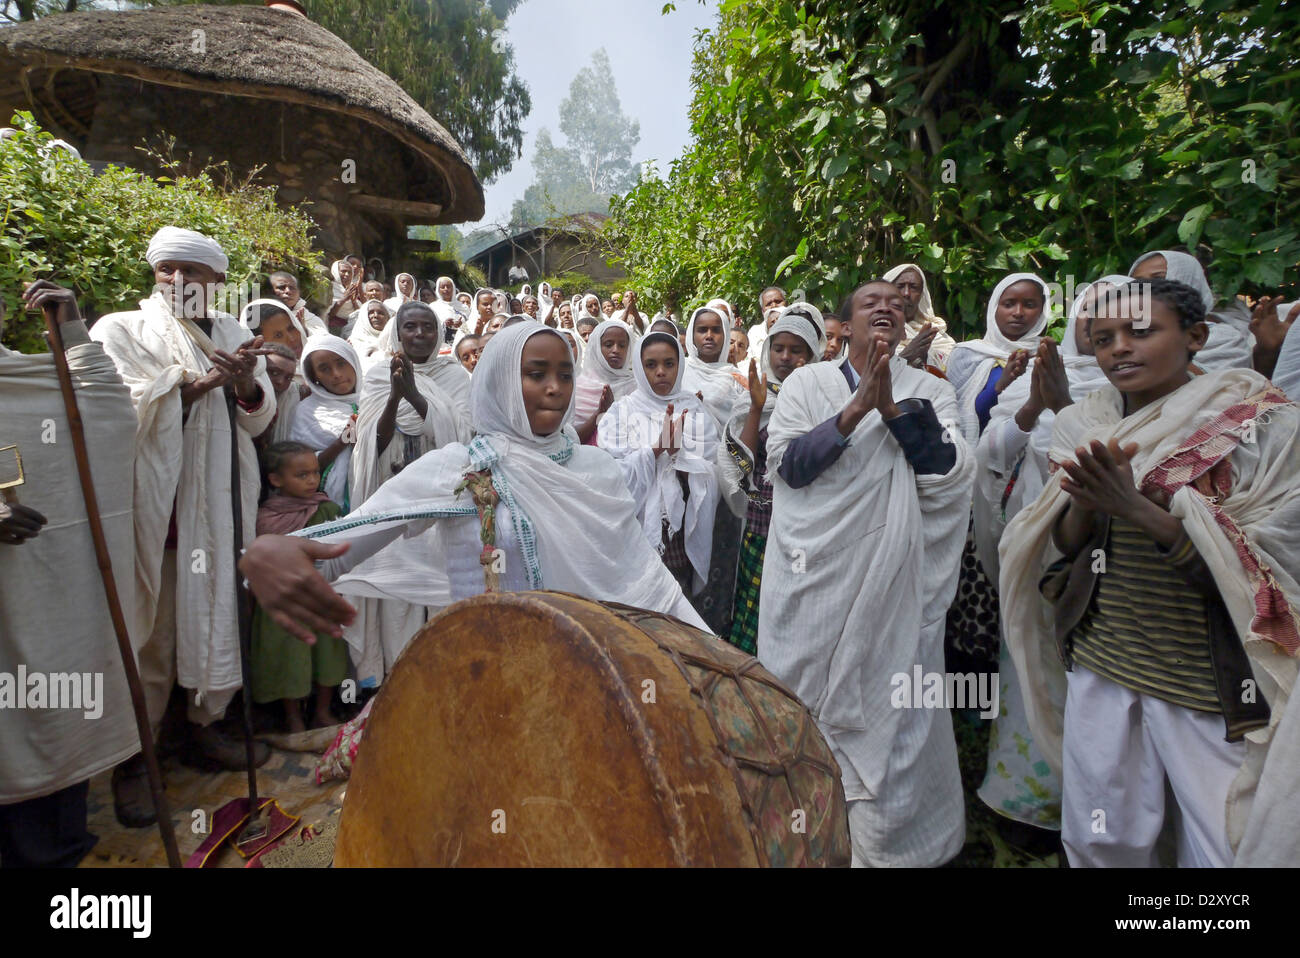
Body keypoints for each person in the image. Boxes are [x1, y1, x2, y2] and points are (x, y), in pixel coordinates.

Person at [998, 277, 1300, 867]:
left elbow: (1261, 567)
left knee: (1221, 845)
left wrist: (1133, 506)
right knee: (1102, 836)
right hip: (1106, 662)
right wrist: (1090, 499)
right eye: (1104, 338)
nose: (1119, 349)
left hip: (1207, 682)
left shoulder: (1253, 423)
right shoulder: (1084, 422)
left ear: (1196, 337)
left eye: (1141, 332)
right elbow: (1064, 543)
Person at [238, 324, 709, 671]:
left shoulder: (597, 469)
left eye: (565, 375)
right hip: (487, 673)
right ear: (500, 381)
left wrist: (703, 651)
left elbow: (646, 584)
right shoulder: (461, 468)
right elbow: (340, 547)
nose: (555, 388)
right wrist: (271, 551)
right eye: (536, 373)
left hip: (593, 679)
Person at [758, 279, 974, 867]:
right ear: (845, 326)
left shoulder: (930, 389)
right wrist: (855, 411)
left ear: (906, 324)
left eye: (895, 304)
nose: (885, 307)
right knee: (804, 719)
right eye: (869, 303)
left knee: (899, 720)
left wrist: (894, 411)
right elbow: (788, 465)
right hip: (811, 589)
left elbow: (950, 473)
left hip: (897, 589)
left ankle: (891, 850)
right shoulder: (807, 384)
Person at [89, 226, 274, 826]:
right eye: (166, 269)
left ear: (216, 282)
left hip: (217, 514)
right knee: (153, 640)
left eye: (191, 272)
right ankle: (135, 761)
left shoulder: (235, 333)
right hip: (159, 516)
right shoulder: (120, 329)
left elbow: (257, 419)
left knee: (215, 616)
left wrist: (244, 383)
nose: (176, 281)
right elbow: (118, 409)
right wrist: (194, 387)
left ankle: (203, 728)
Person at [971, 276, 1126, 838]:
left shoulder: (1153, 397)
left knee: (1110, 698)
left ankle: (1104, 821)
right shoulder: (1033, 378)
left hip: (1122, 579)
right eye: (1093, 320)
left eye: (1125, 326)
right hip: (1040, 566)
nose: (1111, 340)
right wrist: (1037, 404)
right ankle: (1029, 807)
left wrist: (1065, 407)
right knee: (1032, 671)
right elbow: (989, 454)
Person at [0, 280, 140, 866]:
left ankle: (63, 847)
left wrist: (74, 330)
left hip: (50, 593)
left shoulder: (25, 381)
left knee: (57, 720)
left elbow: (105, 411)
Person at [347, 301, 472, 686]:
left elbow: (464, 438)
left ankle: (440, 685)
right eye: (410, 327)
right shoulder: (379, 375)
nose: (419, 334)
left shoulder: (455, 376)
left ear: (439, 333)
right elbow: (372, 443)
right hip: (394, 500)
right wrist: (395, 397)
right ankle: (395, 687)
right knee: (396, 597)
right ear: (397, 334)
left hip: (441, 502)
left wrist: (416, 396)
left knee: (439, 593)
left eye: (428, 327)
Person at [717, 310, 821, 654]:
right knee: (755, 599)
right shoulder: (754, 395)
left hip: (805, 525)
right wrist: (756, 407)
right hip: (763, 521)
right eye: (779, 349)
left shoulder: (823, 396)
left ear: (811, 354)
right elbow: (740, 461)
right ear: (768, 350)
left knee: (795, 598)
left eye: (796, 350)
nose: (787, 357)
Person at [599, 332, 720, 605]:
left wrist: (680, 459)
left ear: (680, 365)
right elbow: (611, 476)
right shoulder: (622, 412)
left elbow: (712, 473)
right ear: (639, 369)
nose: (661, 372)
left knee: (680, 610)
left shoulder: (693, 409)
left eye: (669, 363)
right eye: (651, 365)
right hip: (638, 534)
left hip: (679, 537)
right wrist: (656, 450)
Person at [251, 442, 348, 733]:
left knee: (327, 654)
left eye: (315, 473)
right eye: (301, 475)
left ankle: (321, 711)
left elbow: (338, 549)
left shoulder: (327, 508)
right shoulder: (267, 517)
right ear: (276, 480)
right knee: (289, 658)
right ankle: (293, 717)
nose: (311, 480)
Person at [1130, 249, 1255, 371]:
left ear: (1189, 281)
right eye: (1137, 282)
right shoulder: (1123, 334)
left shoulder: (1224, 339)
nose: (1146, 287)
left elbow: (1225, 384)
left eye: (1158, 279)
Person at [291, 336, 361, 512]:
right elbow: (299, 469)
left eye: (341, 363)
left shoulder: (375, 396)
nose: (336, 374)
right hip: (331, 506)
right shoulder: (307, 412)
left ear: (353, 360)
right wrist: (341, 443)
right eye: (324, 369)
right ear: (314, 377)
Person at [883, 263, 958, 371]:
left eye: (913, 287)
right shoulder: (873, 333)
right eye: (900, 286)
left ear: (922, 295)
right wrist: (907, 356)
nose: (906, 293)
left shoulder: (938, 336)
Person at [682, 305, 746, 432]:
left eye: (716, 330)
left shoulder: (736, 378)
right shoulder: (679, 369)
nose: (709, 336)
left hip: (723, 449)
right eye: (702, 330)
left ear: (726, 335)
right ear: (692, 335)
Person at [574, 319, 636, 445]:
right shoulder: (578, 387)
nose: (616, 350)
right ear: (596, 346)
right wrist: (600, 413)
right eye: (608, 345)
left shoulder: (636, 386)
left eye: (622, 345)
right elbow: (571, 439)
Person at [262, 342, 305, 447]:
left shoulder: (293, 394)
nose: (280, 381)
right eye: (274, 372)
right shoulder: (230, 399)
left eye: (288, 378)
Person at [268, 270, 327, 337]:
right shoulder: (259, 315)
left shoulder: (312, 319)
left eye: (292, 288)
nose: (288, 291)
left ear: (299, 293)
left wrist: (304, 331)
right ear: (270, 291)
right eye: (281, 287)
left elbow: (324, 341)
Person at [349, 299, 394, 373]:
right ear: (364, 317)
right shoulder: (353, 343)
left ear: (388, 317)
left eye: (380, 313)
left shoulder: (395, 340)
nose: (375, 315)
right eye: (371, 313)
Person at [746, 286, 786, 353]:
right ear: (762, 311)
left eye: (778, 301)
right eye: (768, 304)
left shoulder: (799, 326)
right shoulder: (754, 333)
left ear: (787, 304)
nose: (774, 306)